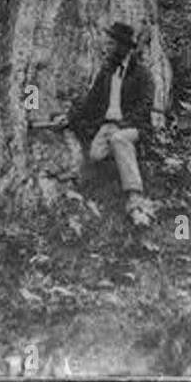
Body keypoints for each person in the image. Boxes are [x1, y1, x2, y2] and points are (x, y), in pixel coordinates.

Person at [67, 21, 163, 228]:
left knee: (119, 139)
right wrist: (70, 118)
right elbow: (91, 102)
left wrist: (124, 124)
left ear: (124, 46)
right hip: (107, 125)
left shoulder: (142, 74)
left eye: (112, 44)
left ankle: (135, 198)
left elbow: (145, 106)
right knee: (95, 154)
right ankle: (124, 155)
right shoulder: (107, 71)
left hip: (133, 126)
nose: (108, 48)